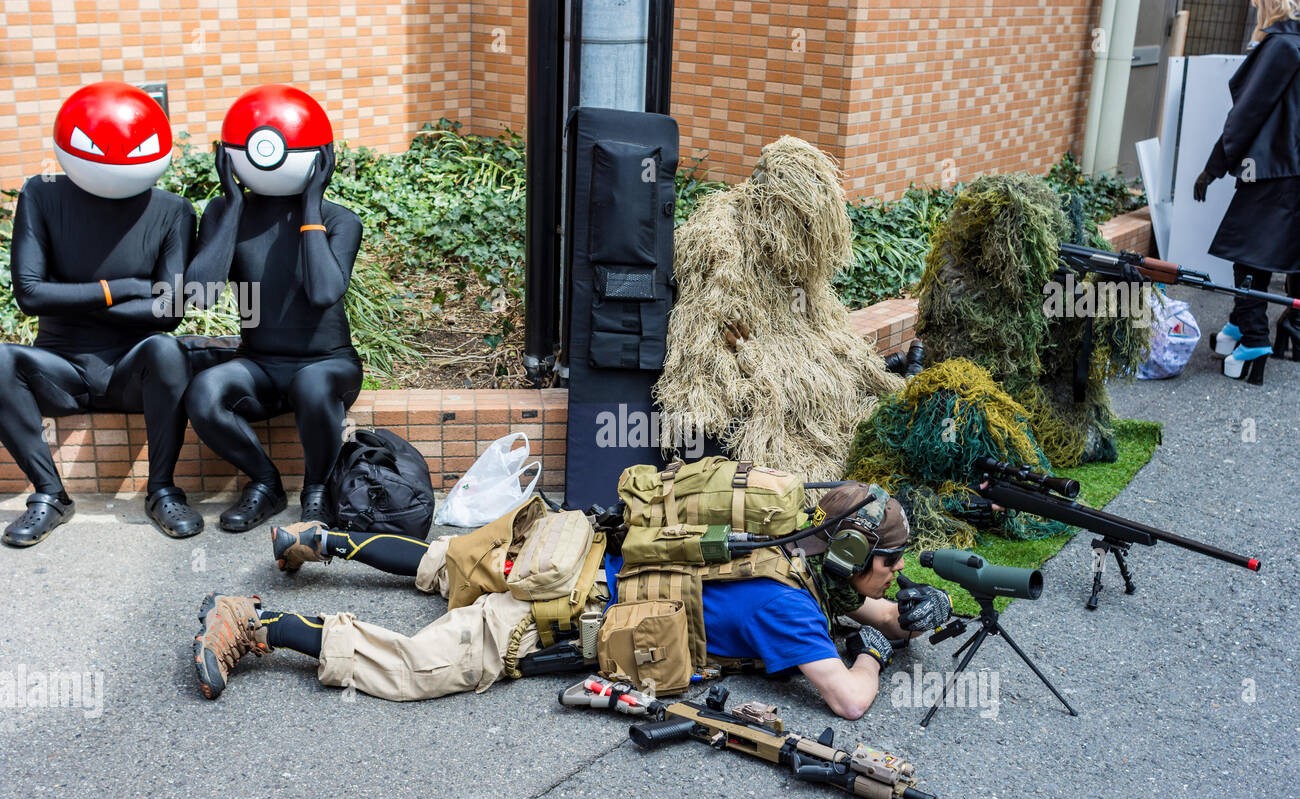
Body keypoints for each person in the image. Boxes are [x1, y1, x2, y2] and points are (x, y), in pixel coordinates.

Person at [189, 483, 955, 720]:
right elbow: (851, 698)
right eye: (890, 565)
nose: (893, 577)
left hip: (565, 546)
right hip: (551, 609)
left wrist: (904, 612)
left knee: (441, 566)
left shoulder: (778, 537)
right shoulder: (788, 612)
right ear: (854, 556)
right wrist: (880, 647)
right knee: (419, 667)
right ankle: (257, 623)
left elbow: (851, 607)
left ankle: (318, 540)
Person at [2, 81, 201, 547]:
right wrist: (122, 289)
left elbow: (169, 311)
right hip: (61, 369)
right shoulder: (42, 194)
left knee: (167, 350)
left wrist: (77, 299)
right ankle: (50, 495)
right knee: (1, 359)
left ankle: (162, 491)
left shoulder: (174, 210)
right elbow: (30, 294)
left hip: (133, 369)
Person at [185, 85, 363, 532]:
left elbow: (324, 292)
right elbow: (200, 294)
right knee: (205, 392)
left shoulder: (340, 220)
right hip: (260, 365)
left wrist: (309, 205)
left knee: (313, 385)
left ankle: (317, 490)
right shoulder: (224, 213)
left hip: (327, 365)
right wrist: (232, 205)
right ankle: (265, 483)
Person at [1194, 0, 1300, 383]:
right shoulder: (1292, 44)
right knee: (1262, 250)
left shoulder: (1282, 47)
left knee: (1248, 254)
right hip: (1288, 168)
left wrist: (1213, 167)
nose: (1255, 6)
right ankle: (1239, 326)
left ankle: (1255, 341)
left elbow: (1248, 113)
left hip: (1272, 170)